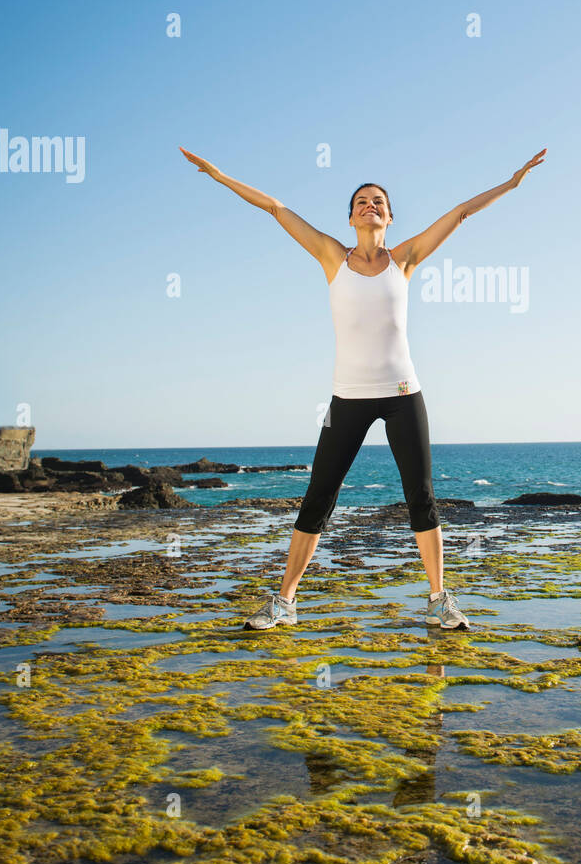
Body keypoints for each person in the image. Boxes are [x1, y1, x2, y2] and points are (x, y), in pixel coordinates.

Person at [178, 145, 547, 631]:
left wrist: (512, 182)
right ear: (351, 217)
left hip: (402, 396)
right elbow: (274, 207)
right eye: (361, 201)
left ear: (389, 217)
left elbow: (459, 213)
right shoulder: (331, 256)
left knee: (422, 496)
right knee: (318, 497)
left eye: (378, 201)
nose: (369, 205)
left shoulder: (405, 258)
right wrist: (219, 174)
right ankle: (285, 602)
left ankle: (439, 599)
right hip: (346, 399)